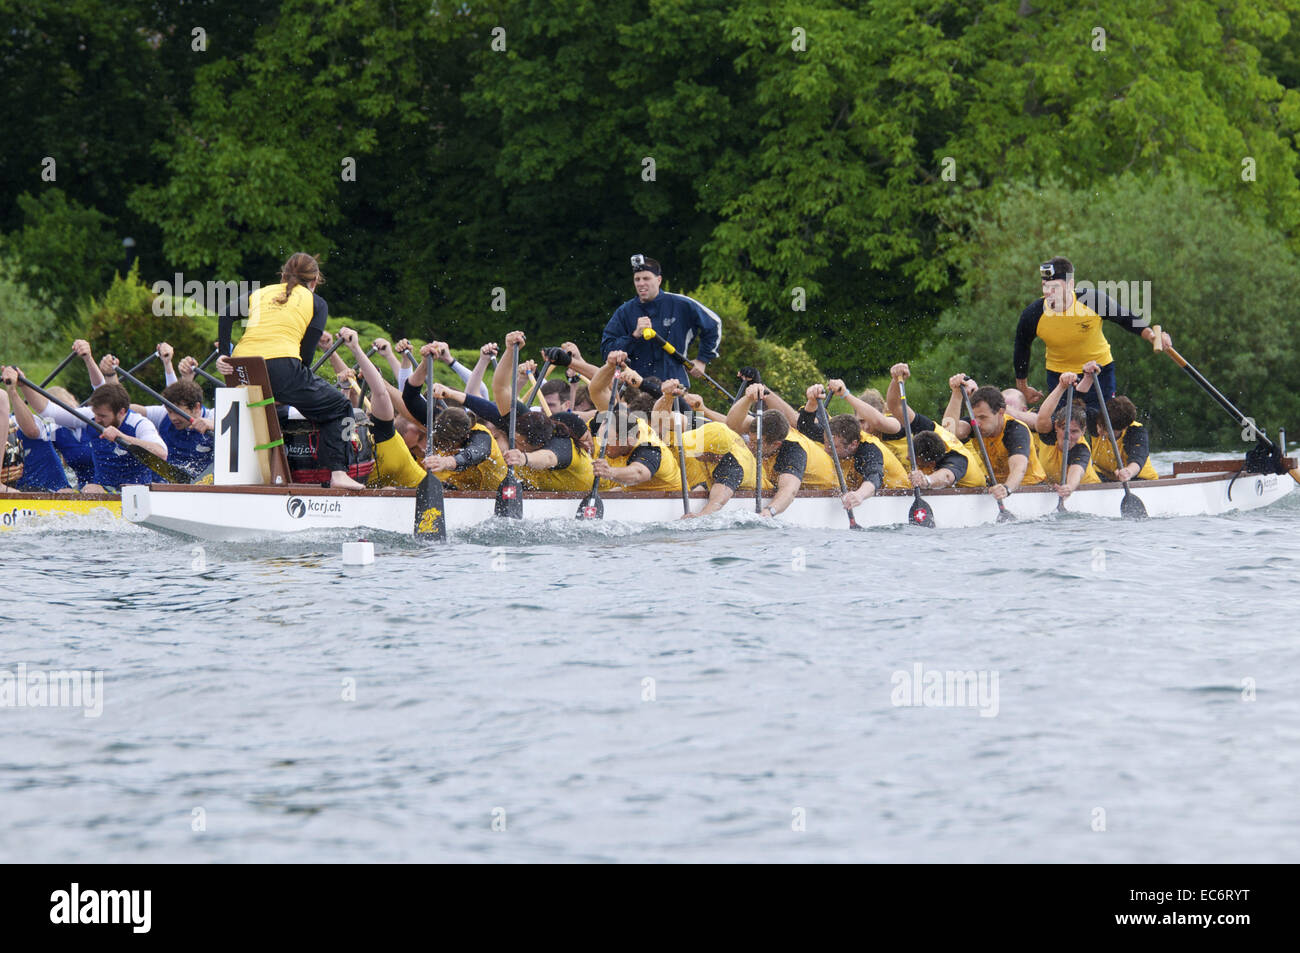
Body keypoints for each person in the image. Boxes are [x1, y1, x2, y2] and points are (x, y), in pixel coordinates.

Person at [216, 252, 365, 489]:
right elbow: (305, 356)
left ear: (283, 275)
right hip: (281, 368)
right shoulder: (317, 303)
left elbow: (225, 314)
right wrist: (288, 391)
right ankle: (338, 472)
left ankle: (245, 474)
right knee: (340, 406)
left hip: (241, 367)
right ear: (314, 280)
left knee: (261, 409)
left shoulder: (259, 293)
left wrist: (223, 354)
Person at [1013, 256, 1173, 415]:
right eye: (1044, 286)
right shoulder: (1033, 314)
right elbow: (1021, 347)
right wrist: (1023, 387)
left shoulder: (1091, 300)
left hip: (1099, 372)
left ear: (1070, 284)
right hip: (1060, 377)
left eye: (1055, 287)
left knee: (1101, 421)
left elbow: (1125, 318)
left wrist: (1152, 336)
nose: (1048, 292)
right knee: (1062, 425)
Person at [600, 255, 721, 386]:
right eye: (637, 279)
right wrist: (634, 336)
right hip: (634, 388)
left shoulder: (681, 304)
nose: (641, 283)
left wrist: (702, 360)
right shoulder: (624, 312)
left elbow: (714, 324)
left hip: (675, 386)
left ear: (659, 280)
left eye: (646, 278)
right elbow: (606, 351)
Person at [725, 382, 838, 517]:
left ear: (776, 444)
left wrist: (769, 511)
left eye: (756, 443)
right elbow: (731, 425)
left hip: (827, 489)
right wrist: (748, 398)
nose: (750, 446)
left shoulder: (793, 450)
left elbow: (789, 491)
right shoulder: (761, 427)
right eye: (751, 440)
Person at [337, 328, 430, 489]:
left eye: (418, 441)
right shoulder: (346, 437)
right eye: (415, 445)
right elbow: (345, 411)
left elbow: (381, 393)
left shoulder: (382, 430)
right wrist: (345, 388)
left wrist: (355, 348)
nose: (422, 449)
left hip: (425, 490)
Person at [653, 381, 757, 517]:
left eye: (698, 449)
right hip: (708, 481)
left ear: (716, 456)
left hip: (750, 490)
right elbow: (661, 420)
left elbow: (718, 501)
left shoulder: (732, 466)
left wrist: (699, 516)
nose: (692, 450)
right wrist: (667, 396)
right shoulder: (707, 430)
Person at [797, 383, 909, 508]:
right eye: (826, 444)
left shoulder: (868, 448)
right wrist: (812, 402)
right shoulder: (832, 435)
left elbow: (874, 477)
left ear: (853, 444)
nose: (826, 449)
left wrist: (859, 495)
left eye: (833, 447)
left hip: (898, 498)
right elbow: (805, 427)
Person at [586, 352, 683, 492]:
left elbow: (639, 473)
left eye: (608, 443)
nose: (602, 447)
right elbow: (596, 390)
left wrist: (609, 472)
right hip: (630, 490)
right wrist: (609, 366)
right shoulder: (619, 418)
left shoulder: (649, 447)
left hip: (666, 497)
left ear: (628, 440)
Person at [884, 364, 988, 488]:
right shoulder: (929, 430)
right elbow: (896, 406)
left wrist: (926, 480)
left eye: (915, 460)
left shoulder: (957, 459)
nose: (907, 457)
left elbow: (946, 477)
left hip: (978, 491)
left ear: (932, 464)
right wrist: (896, 379)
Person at [940, 377, 1045, 498]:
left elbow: (1018, 467)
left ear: (1001, 412)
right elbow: (949, 433)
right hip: (996, 488)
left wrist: (1007, 488)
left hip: (1028, 489)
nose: (977, 423)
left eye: (983, 417)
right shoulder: (975, 424)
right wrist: (956, 394)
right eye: (974, 417)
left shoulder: (1015, 429)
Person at [78, 383, 169, 492]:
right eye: (95, 414)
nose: (97, 420)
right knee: (89, 489)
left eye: (102, 416)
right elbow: (58, 413)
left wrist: (122, 436)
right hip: (104, 489)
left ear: (121, 412)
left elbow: (162, 453)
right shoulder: (90, 418)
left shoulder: (140, 423)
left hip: (137, 491)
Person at [2, 365, 72, 492]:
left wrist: (12, 392)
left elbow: (32, 431)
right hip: (18, 495)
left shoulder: (15, 422)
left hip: (53, 492)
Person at [1034, 372, 1101, 498]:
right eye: (1065, 429)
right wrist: (1061, 386)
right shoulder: (1049, 436)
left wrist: (1069, 487)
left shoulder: (1081, 449)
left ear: (1083, 431)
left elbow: (1076, 471)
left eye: (1074, 432)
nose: (1068, 437)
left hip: (1087, 492)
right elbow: (1042, 418)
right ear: (1056, 426)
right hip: (1057, 488)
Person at [133, 380, 215, 479]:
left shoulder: (213, 416)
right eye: (170, 412)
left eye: (177, 412)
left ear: (196, 407)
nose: (172, 418)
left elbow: (232, 425)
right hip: (165, 482)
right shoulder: (162, 415)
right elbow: (127, 412)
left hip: (202, 483)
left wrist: (216, 425)